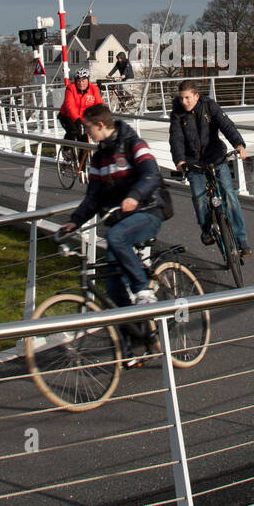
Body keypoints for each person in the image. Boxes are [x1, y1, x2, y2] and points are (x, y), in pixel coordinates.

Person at [59, 103, 164, 362]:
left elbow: (151, 174)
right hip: (120, 219)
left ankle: (144, 291)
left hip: (148, 211)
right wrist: (75, 221)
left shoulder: (133, 143)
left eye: (88, 128)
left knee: (116, 237)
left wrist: (134, 196)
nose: (87, 134)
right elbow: (93, 196)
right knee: (114, 288)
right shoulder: (99, 158)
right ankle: (140, 343)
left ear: (101, 125)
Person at [169, 80, 251, 256]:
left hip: (215, 157)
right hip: (194, 162)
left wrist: (239, 144)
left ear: (196, 96)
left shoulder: (209, 106)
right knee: (199, 198)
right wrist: (180, 160)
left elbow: (226, 125)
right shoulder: (177, 114)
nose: (184, 102)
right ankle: (206, 229)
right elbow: (176, 139)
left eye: (188, 98)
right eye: (181, 98)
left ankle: (241, 239)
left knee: (228, 193)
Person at [58, 68, 102, 146]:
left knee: (84, 139)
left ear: (88, 80)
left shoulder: (94, 89)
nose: (81, 83)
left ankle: (83, 156)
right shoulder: (70, 88)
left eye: (83, 80)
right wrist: (77, 119)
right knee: (74, 131)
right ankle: (66, 149)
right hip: (67, 115)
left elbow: (99, 104)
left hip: (84, 117)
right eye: (79, 81)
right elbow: (69, 106)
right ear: (75, 81)